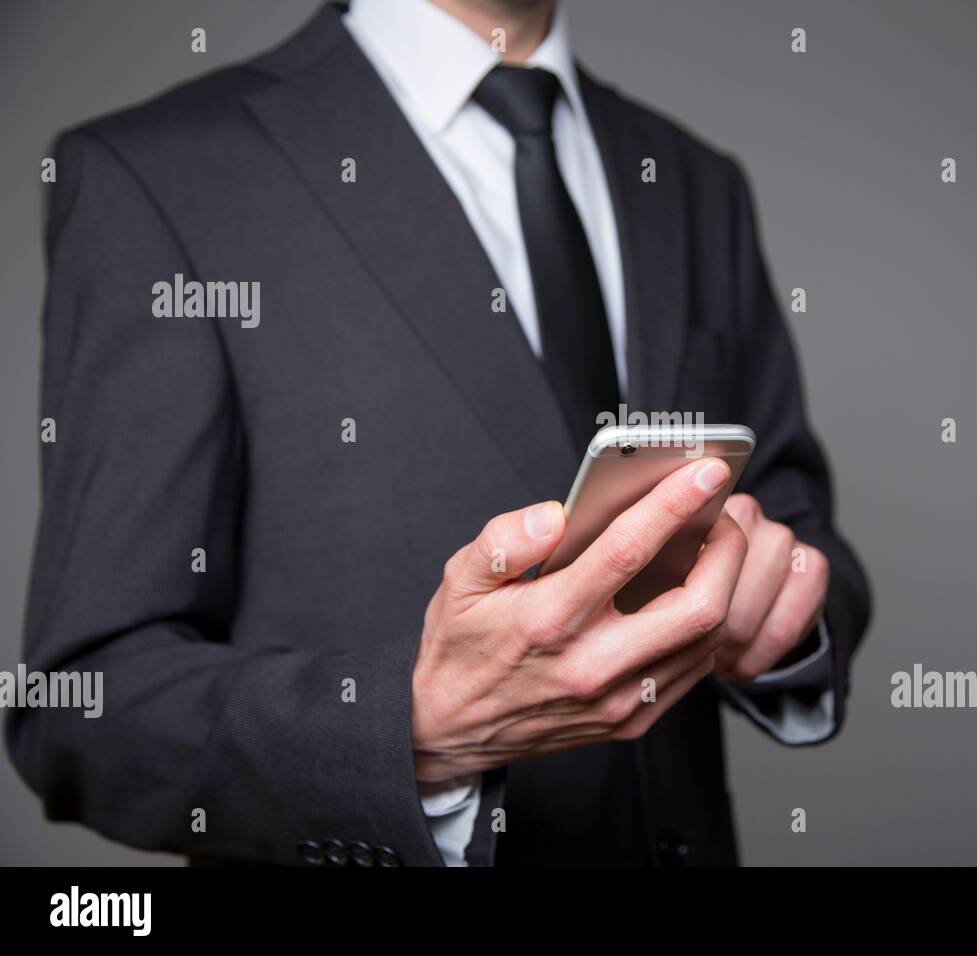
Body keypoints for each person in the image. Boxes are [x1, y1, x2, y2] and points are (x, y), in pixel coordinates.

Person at [8, 0, 870, 866]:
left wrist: (786, 614)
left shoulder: (692, 177)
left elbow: (801, 523)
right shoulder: (159, 172)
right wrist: (415, 729)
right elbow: (83, 707)